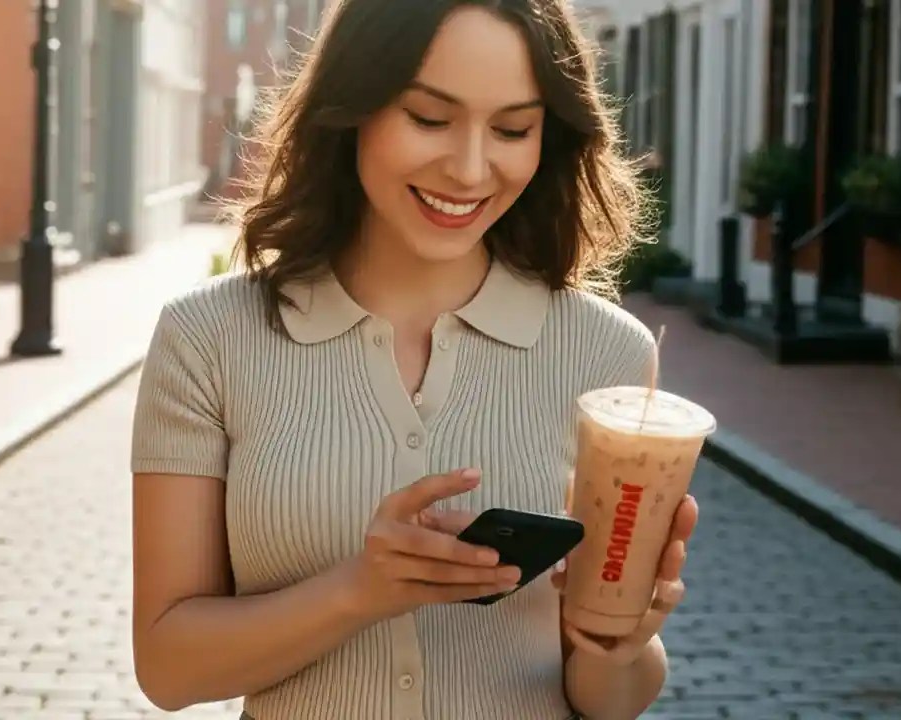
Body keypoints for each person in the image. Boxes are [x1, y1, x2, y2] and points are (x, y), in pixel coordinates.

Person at [129, 0, 699, 718]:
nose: (468, 168)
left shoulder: (611, 355)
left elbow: (608, 702)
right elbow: (167, 671)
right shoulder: (207, 338)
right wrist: (361, 590)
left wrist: (620, 641)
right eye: (428, 118)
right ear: (353, 107)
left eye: (513, 128)